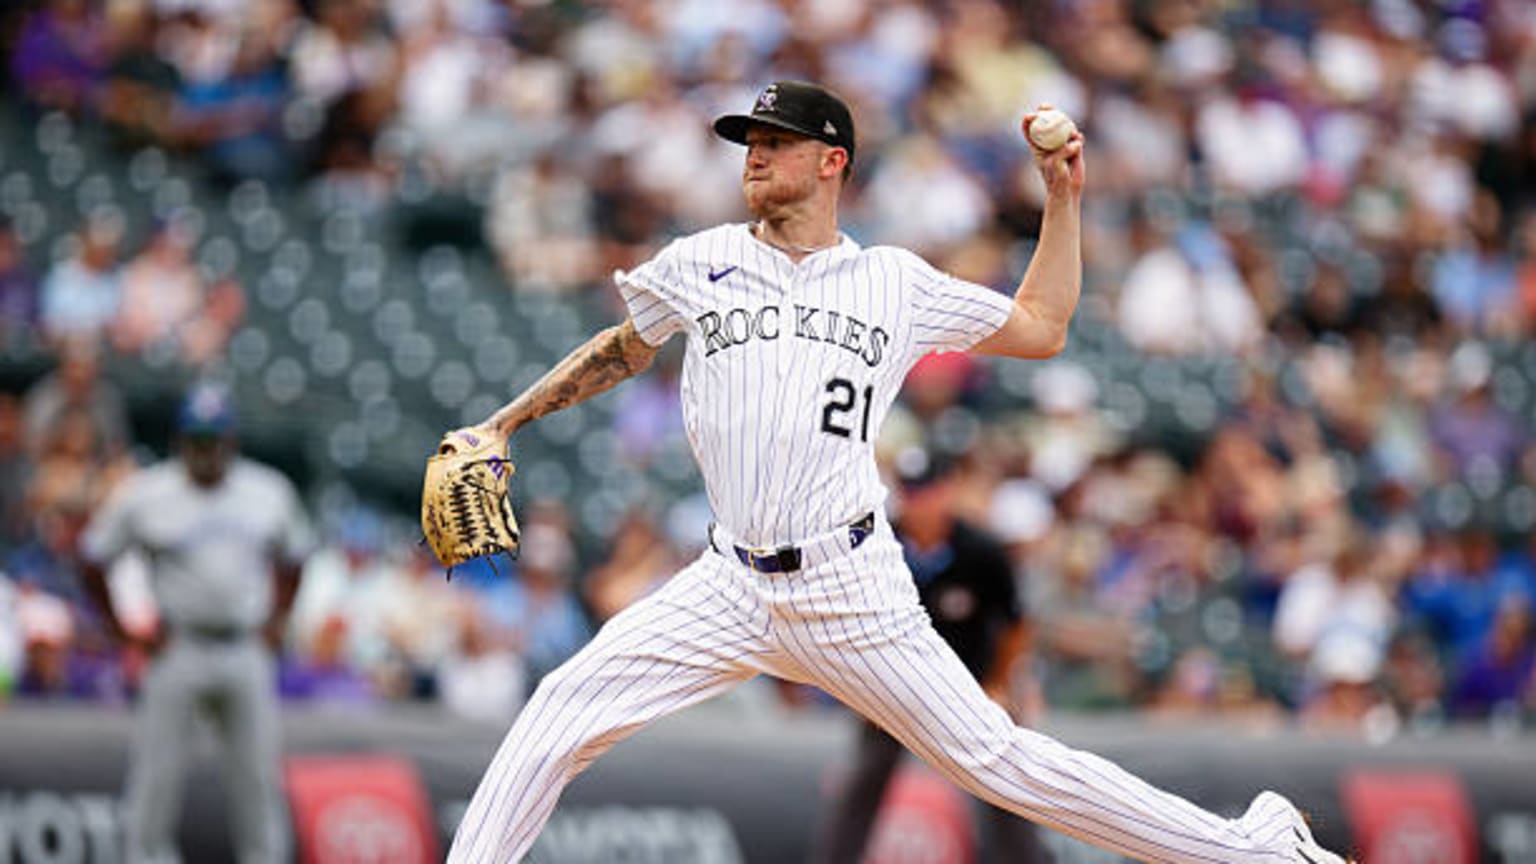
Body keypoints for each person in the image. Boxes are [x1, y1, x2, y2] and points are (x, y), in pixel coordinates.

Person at [445, 81, 1349, 864]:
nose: (753, 156)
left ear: (831, 160)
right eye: (748, 142)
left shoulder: (892, 282)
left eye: (774, 142)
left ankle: (1257, 849)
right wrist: (502, 422)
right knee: (561, 710)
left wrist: (1060, 199)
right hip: (727, 582)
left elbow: (1042, 327)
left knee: (998, 762)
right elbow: (622, 348)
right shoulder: (700, 261)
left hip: (848, 585)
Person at [79, 384, 314, 864]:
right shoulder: (147, 494)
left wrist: (278, 620)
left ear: (232, 440)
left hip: (244, 645)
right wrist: (119, 628)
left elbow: (295, 557)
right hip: (177, 646)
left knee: (257, 776)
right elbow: (92, 557)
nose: (207, 450)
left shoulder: (265, 490)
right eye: (198, 439)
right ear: (180, 441)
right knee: (156, 775)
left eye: (215, 439)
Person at [811, 445, 1050, 863]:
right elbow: (846, 619)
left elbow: (1015, 624)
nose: (919, 501)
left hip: (970, 687)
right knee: (865, 779)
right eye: (911, 491)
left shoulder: (979, 551)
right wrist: (861, 690)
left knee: (1007, 786)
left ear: (947, 491)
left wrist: (999, 683)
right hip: (893, 689)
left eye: (927, 490)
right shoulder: (876, 545)